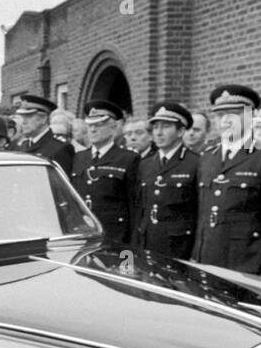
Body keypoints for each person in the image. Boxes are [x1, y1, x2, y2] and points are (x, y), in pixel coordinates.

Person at [191, 85, 261, 276]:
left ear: (251, 116)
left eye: (234, 114)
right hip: (207, 259)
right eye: (220, 115)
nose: (226, 121)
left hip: (247, 262)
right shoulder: (207, 157)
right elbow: (202, 216)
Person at [135, 102, 198, 258]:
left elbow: (199, 213)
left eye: (166, 127)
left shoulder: (195, 163)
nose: (159, 133)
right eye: (155, 127)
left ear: (181, 131)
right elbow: (140, 210)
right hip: (147, 243)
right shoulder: (145, 164)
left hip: (179, 248)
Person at [71, 100, 139, 246]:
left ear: (113, 127)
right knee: (83, 269)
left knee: (125, 269)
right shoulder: (79, 157)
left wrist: (131, 246)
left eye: (99, 125)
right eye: (90, 125)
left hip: (117, 238)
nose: (93, 130)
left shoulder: (128, 158)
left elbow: (135, 206)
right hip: (84, 236)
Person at [13, 94, 74, 175]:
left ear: (43, 119)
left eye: (29, 116)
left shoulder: (59, 148)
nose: (23, 122)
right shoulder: (23, 146)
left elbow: (60, 185)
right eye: (22, 116)